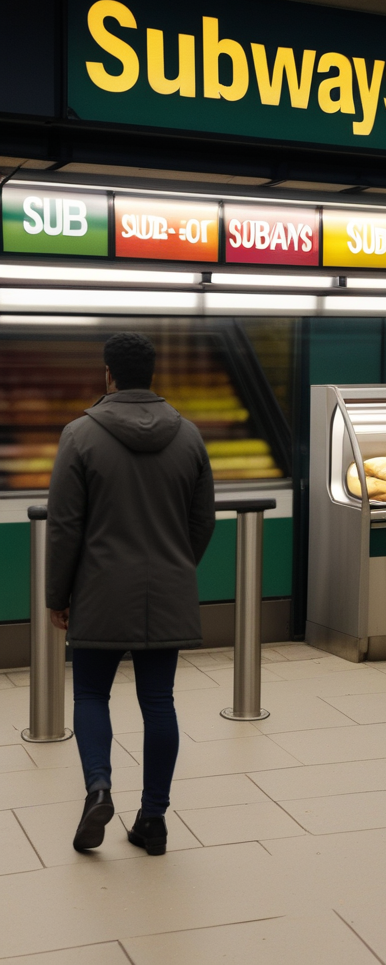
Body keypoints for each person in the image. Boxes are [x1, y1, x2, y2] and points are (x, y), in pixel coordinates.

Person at [46, 331, 215, 855]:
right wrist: (175, 565)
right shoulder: (189, 436)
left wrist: (59, 594)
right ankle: (153, 819)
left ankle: (98, 786)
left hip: (98, 589)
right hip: (165, 590)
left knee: (92, 694)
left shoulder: (78, 435)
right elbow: (202, 520)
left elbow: (64, 526)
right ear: (152, 375)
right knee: (158, 700)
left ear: (108, 375)